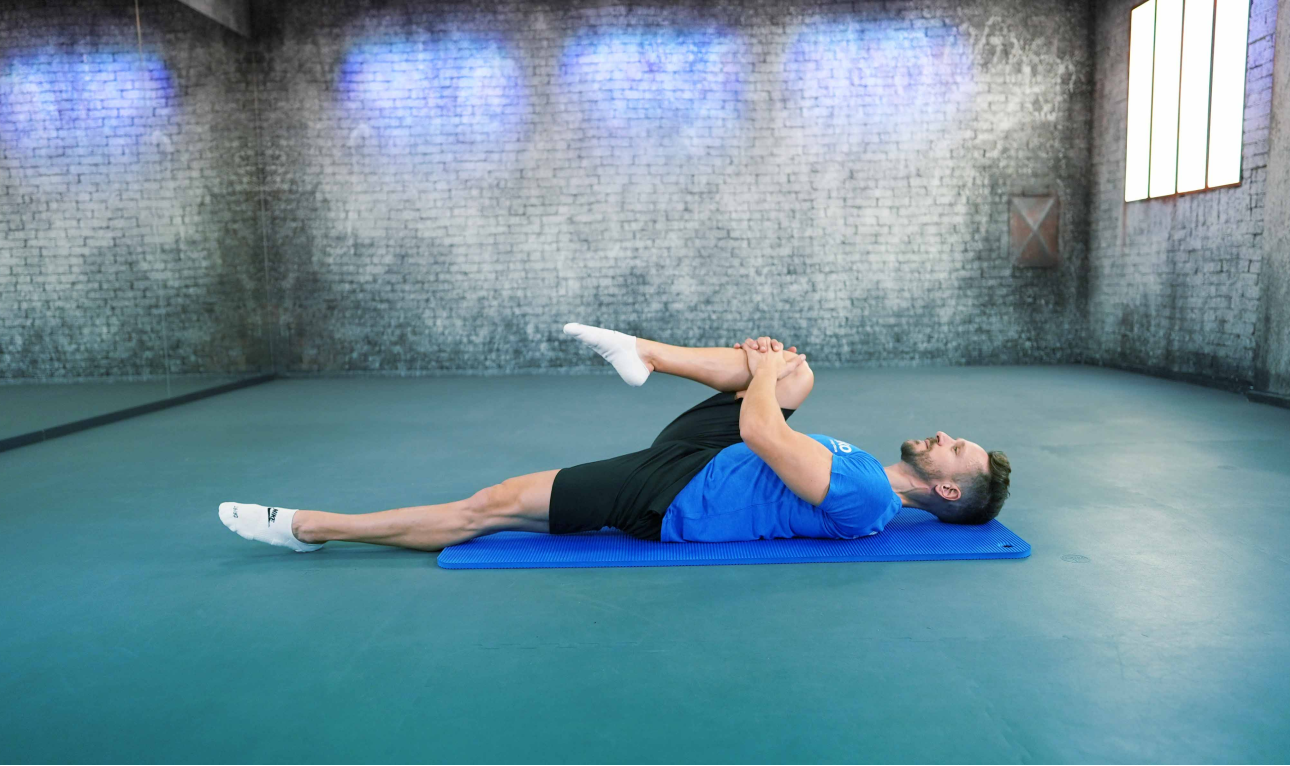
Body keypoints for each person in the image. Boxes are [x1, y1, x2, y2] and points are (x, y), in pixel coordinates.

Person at [219, 324, 1011, 553]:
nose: (944, 436)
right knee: (801, 373)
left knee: (491, 506)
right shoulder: (869, 474)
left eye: (957, 448)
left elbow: (763, 432)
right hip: (714, 457)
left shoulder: (869, 494)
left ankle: (312, 527)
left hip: (677, 497)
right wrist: (775, 371)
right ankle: (643, 352)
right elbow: (763, 424)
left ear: (945, 490)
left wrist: (761, 370)